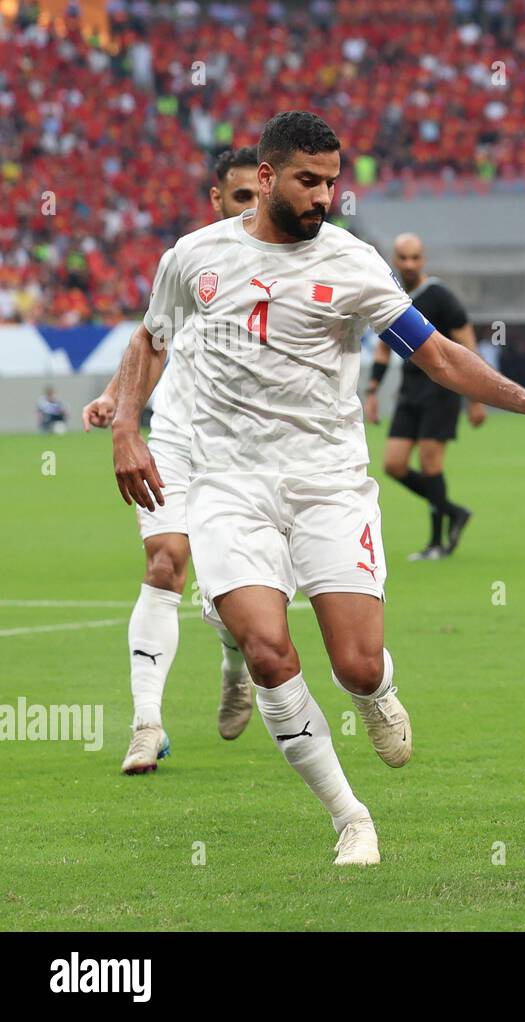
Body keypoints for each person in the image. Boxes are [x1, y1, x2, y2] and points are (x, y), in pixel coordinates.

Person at [109, 111, 525, 865]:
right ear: (267, 178)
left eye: (333, 182)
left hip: (329, 486)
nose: (324, 196)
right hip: (227, 489)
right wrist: (125, 428)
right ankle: (351, 817)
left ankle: (374, 695)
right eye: (309, 181)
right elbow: (151, 339)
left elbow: (435, 355)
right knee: (269, 651)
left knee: (356, 663)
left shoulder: (352, 263)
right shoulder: (192, 258)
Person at [82, 146, 261, 774]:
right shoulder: (192, 259)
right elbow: (151, 338)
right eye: (240, 196)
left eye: (259, 197)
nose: (251, 208)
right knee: (166, 562)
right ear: (217, 198)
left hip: (244, 450)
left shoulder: (286, 262)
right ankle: (146, 723)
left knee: (230, 594)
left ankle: (236, 663)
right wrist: (115, 398)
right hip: (177, 440)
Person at [364, 233, 483, 560]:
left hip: (442, 390)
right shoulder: (392, 297)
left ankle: (436, 543)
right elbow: (384, 350)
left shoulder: (440, 296)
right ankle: (454, 511)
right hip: (411, 391)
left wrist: (475, 398)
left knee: (431, 464)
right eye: (403, 258)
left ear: (424, 259)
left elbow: (467, 344)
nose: (409, 264)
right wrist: (372, 393)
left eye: (415, 258)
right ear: (394, 259)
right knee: (393, 464)